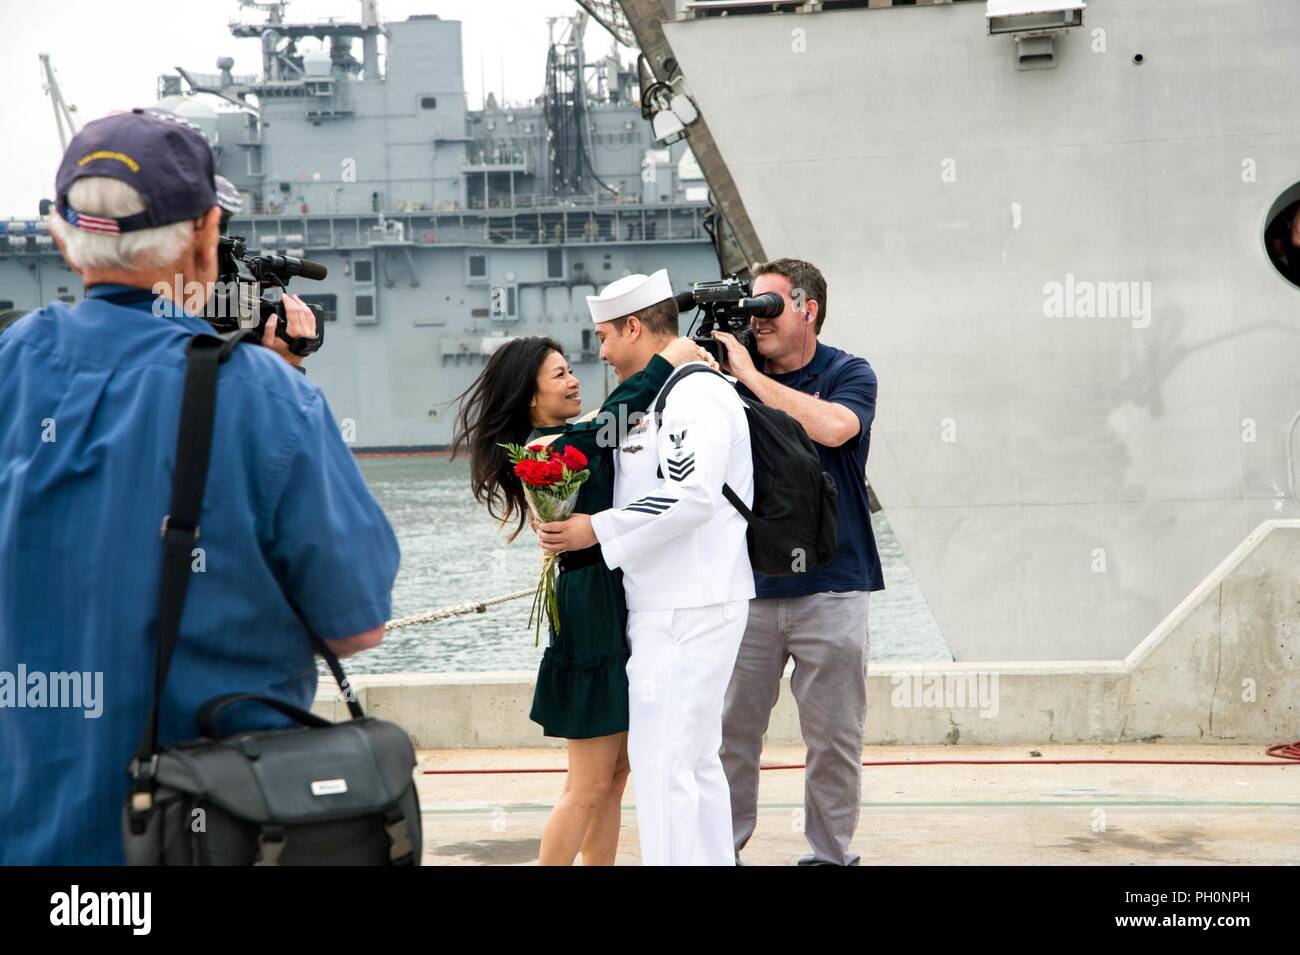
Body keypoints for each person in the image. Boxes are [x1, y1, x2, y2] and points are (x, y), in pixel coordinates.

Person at [0, 109, 400, 864]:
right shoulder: (266, 398)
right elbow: (358, 623)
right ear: (207, 232)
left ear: (60, 232)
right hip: (211, 832)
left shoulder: (9, 370)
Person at [450, 326, 708, 865]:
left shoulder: (570, 436)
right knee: (588, 783)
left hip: (606, 592)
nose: (573, 380)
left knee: (615, 778)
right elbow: (613, 423)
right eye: (559, 374)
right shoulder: (550, 450)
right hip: (590, 601)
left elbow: (609, 423)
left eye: (570, 369)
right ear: (530, 396)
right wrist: (669, 358)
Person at [539, 270, 755, 866]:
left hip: (690, 603)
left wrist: (595, 530)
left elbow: (692, 497)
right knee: (689, 764)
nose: (600, 352)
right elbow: (580, 449)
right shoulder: (656, 397)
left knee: (668, 769)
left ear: (635, 327)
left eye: (605, 336)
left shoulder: (692, 394)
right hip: (666, 604)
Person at [710, 257, 884, 866]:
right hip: (749, 586)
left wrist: (749, 379)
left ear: (807, 309)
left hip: (833, 585)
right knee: (731, 734)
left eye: (770, 306)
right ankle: (721, 851)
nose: (757, 321)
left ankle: (830, 856)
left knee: (833, 739)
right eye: (752, 306)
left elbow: (835, 428)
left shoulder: (847, 372)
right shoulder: (726, 373)